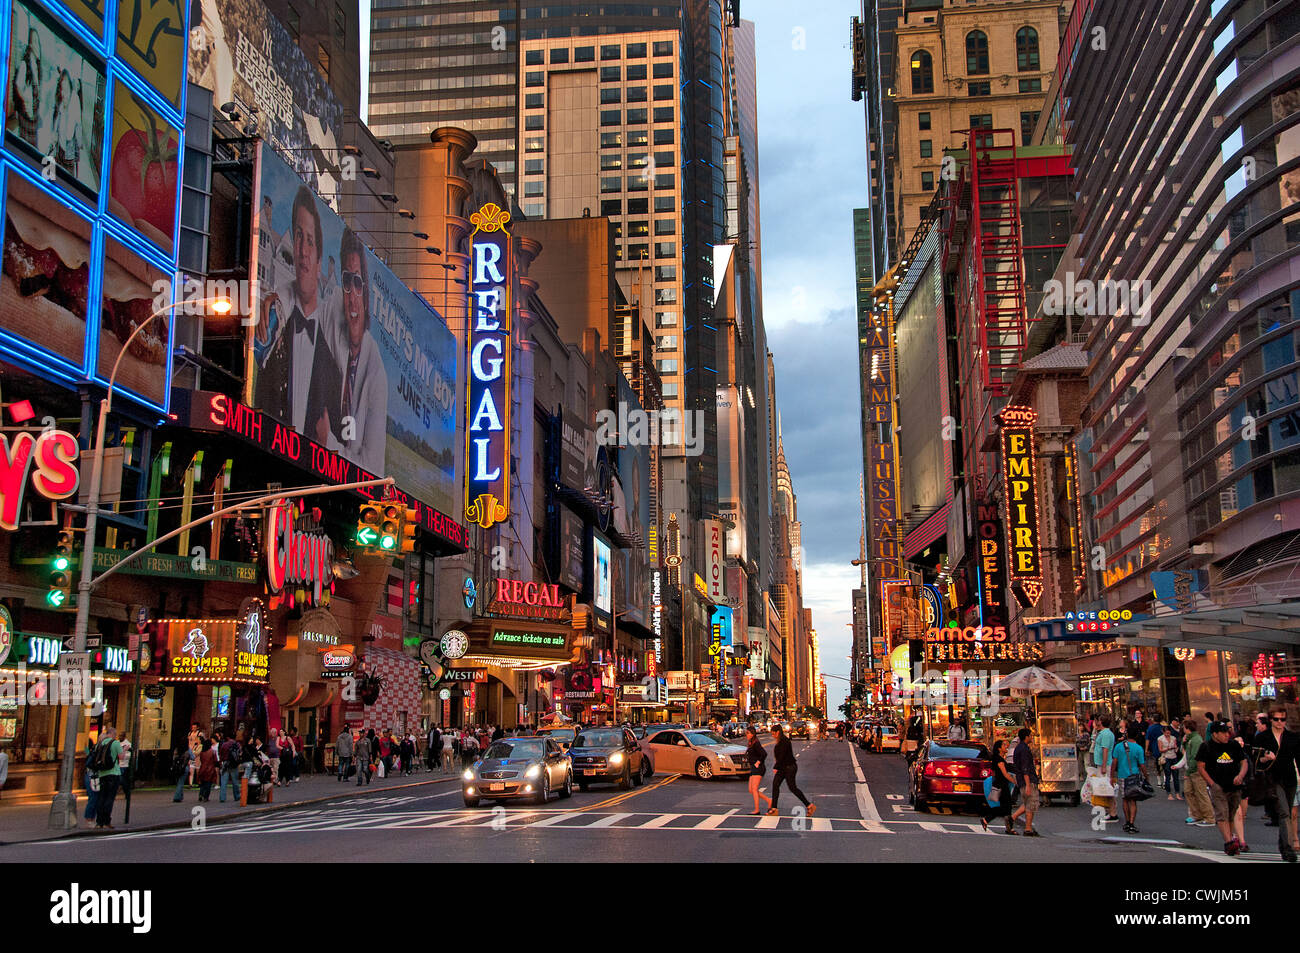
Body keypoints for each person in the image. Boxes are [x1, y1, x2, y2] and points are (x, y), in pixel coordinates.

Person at [256, 185, 343, 440]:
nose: (303, 250)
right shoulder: (274, 322)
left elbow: (341, 437)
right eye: (298, 237)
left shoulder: (332, 362)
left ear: (319, 264)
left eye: (311, 241)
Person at [322, 228, 387, 474]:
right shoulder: (334, 307)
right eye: (346, 281)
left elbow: (372, 472)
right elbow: (298, 299)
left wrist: (326, 441)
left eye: (358, 283)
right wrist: (275, 299)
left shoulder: (376, 373)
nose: (351, 296)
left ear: (367, 293)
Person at [1254, 704, 1300, 862]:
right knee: (1284, 812)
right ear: (1271, 719)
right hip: (1273, 779)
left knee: (1288, 814)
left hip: (1290, 778)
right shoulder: (1262, 737)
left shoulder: (1293, 737)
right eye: (1276, 719)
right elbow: (1256, 761)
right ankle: (1288, 849)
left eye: (1283, 719)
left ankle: (1283, 845)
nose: (1280, 722)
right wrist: (1265, 758)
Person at [1198, 720, 1249, 855]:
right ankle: (1228, 841)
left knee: (1231, 814)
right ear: (1215, 734)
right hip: (1218, 785)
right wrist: (1212, 784)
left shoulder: (1234, 745)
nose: (1227, 735)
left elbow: (1244, 762)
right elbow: (1201, 767)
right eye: (1223, 733)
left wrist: (1240, 776)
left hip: (1234, 785)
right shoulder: (1206, 746)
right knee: (1222, 813)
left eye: (1228, 732)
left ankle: (1231, 839)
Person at [768, 723, 815, 817]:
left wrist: (775, 767)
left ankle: (809, 805)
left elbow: (782, 756)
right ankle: (774, 808)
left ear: (778, 732)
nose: (773, 735)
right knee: (775, 785)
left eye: (773, 733)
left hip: (789, 768)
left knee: (793, 788)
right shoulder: (780, 741)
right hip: (783, 767)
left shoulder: (784, 741)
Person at [1182, 719, 1215, 827]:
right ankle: (1197, 815)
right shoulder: (1190, 739)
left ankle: (1209, 817)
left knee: (1201, 793)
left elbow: (1194, 757)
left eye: (1184, 728)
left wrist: (1189, 770)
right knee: (1188, 792)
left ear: (1187, 728)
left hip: (1196, 771)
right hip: (1191, 770)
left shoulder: (1196, 740)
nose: (1183, 729)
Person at [1113, 728, 1147, 834]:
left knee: (1125, 799)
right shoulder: (1138, 748)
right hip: (1134, 775)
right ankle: (1132, 823)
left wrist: (1111, 775)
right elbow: (1142, 764)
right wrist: (1146, 775)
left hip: (1122, 775)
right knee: (1133, 800)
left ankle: (1127, 822)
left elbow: (1115, 762)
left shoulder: (1119, 746)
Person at [981, 739, 1018, 834]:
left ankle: (1009, 828)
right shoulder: (999, 760)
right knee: (1005, 807)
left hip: (999, 784)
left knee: (1007, 807)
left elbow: (994, 773)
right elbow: (1005, 774)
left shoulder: (998, 758)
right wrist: (1015, 782)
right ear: (999, 748)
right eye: (1004, 745)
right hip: (1001, 785)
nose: (1006, 747)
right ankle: (987, 819)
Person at [90, 726, 123, 829]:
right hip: (113, 773)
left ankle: (99, 821)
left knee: (101, 797)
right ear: (113, 734)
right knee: (110, 797)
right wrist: (125, 749)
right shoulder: (115, 743)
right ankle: (106, 820)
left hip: (102, 774)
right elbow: (121, 757)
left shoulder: (99, 744)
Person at [1010, 727, 1041, 836]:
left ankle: (1012, 819)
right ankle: (1028, 828)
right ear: (1026, 737)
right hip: (1027, 780)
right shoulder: (1023, 749)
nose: (1032, 737)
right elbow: (1025, 768)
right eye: (1030, 735)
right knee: (1030, 805)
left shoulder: (1020, 748)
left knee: (1027, 803)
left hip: (1022, 780)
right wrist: (1028, 784)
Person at [744, 726, 773, 815]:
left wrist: (758, 762)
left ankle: (757, 809)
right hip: (753, 767)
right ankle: (769, 800)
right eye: (746, 733)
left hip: (758, 768)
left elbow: (764, 754)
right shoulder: (751, 743)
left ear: (752, 734)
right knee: (751, 790)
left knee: (754, 789)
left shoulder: (756, 743)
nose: (746, 735)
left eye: (748, 733)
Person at [1158, 723, 1182, 800]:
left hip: (1174, 757)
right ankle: (1169, 794)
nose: (1168, 734)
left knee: (1176, 776)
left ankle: (1177, 793)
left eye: (1169, 732)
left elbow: (1176, 748)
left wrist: (1176, 748)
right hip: (1166, 757)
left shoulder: (1173, 738)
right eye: (1166, 733)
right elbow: (1160, 749)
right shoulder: (1160, 739)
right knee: (1167, 776)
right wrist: (1168, 748)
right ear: (1163, 732)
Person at [218, 732, 242, 802]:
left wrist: (221, 761)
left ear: (228, 737)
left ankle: (222, 797)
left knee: (223, 782)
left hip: (226, 763)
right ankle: (237, 796)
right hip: (234, 764)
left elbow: (221, 754)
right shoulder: (237, 744)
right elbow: (240, 753)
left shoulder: (224, 744)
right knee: (235, 781)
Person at [196, 737, 220, 802]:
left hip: (202, 768)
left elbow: (201, 760)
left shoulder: (202, 752)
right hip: (210, 769)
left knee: (203, 783)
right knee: (208, 784)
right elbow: (215, 760)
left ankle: (200, 795)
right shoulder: (212, 751)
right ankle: (206, 796)